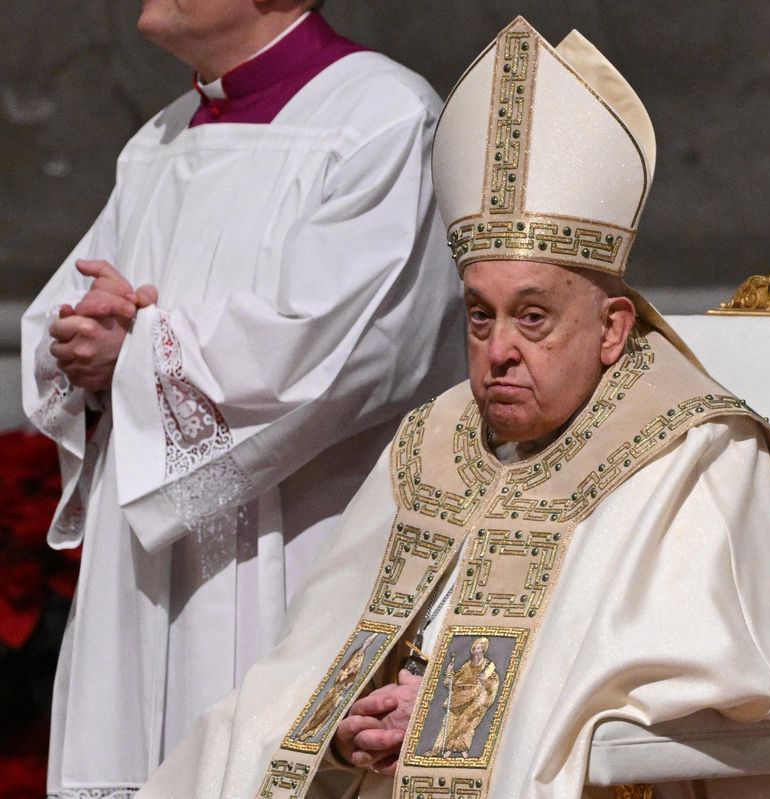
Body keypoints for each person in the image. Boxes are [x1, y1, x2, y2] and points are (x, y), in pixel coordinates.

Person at [137, 16, 770, 799]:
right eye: (480, 316)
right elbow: (312, 656)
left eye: (534, 316)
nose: (499, 350)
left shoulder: (697, 454)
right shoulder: (437, 437)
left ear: (613, 327)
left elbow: (721, 674)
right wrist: (339, 728)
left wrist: (456, 709)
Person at [19, 2, 463, 797]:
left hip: (296, 542)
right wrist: (86, 345)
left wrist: (141, 348)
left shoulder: (384, 117)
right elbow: (69, 309)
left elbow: (355, 352)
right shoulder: (159, 139)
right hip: (146, 570)